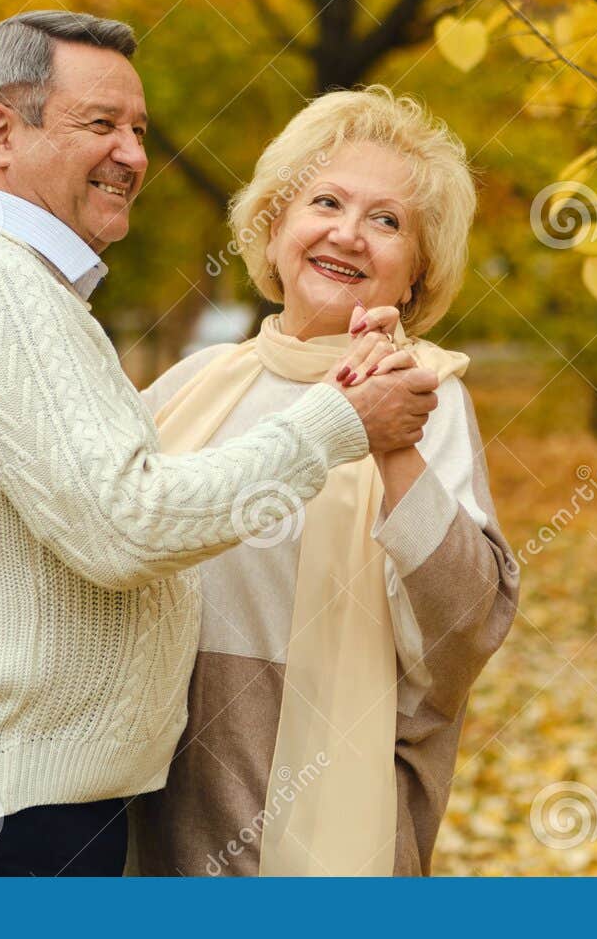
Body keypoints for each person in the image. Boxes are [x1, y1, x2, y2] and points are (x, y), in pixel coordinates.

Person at [0, 12, 440, 877]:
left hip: (7, 808)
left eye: (140, 130)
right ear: (1, 131)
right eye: (101, 124)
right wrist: (340, 425)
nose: (134, 155)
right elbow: (129, 523)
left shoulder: (0, 277)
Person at [128, 86, 519, 876]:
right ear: (274, 230)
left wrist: (394, 446)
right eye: (326, 201)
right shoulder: (190, 385)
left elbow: (463, 632)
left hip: (325, 818)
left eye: (387, 221)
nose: (348, 233)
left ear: (416, 273)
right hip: (157, 801)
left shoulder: (430, 396)